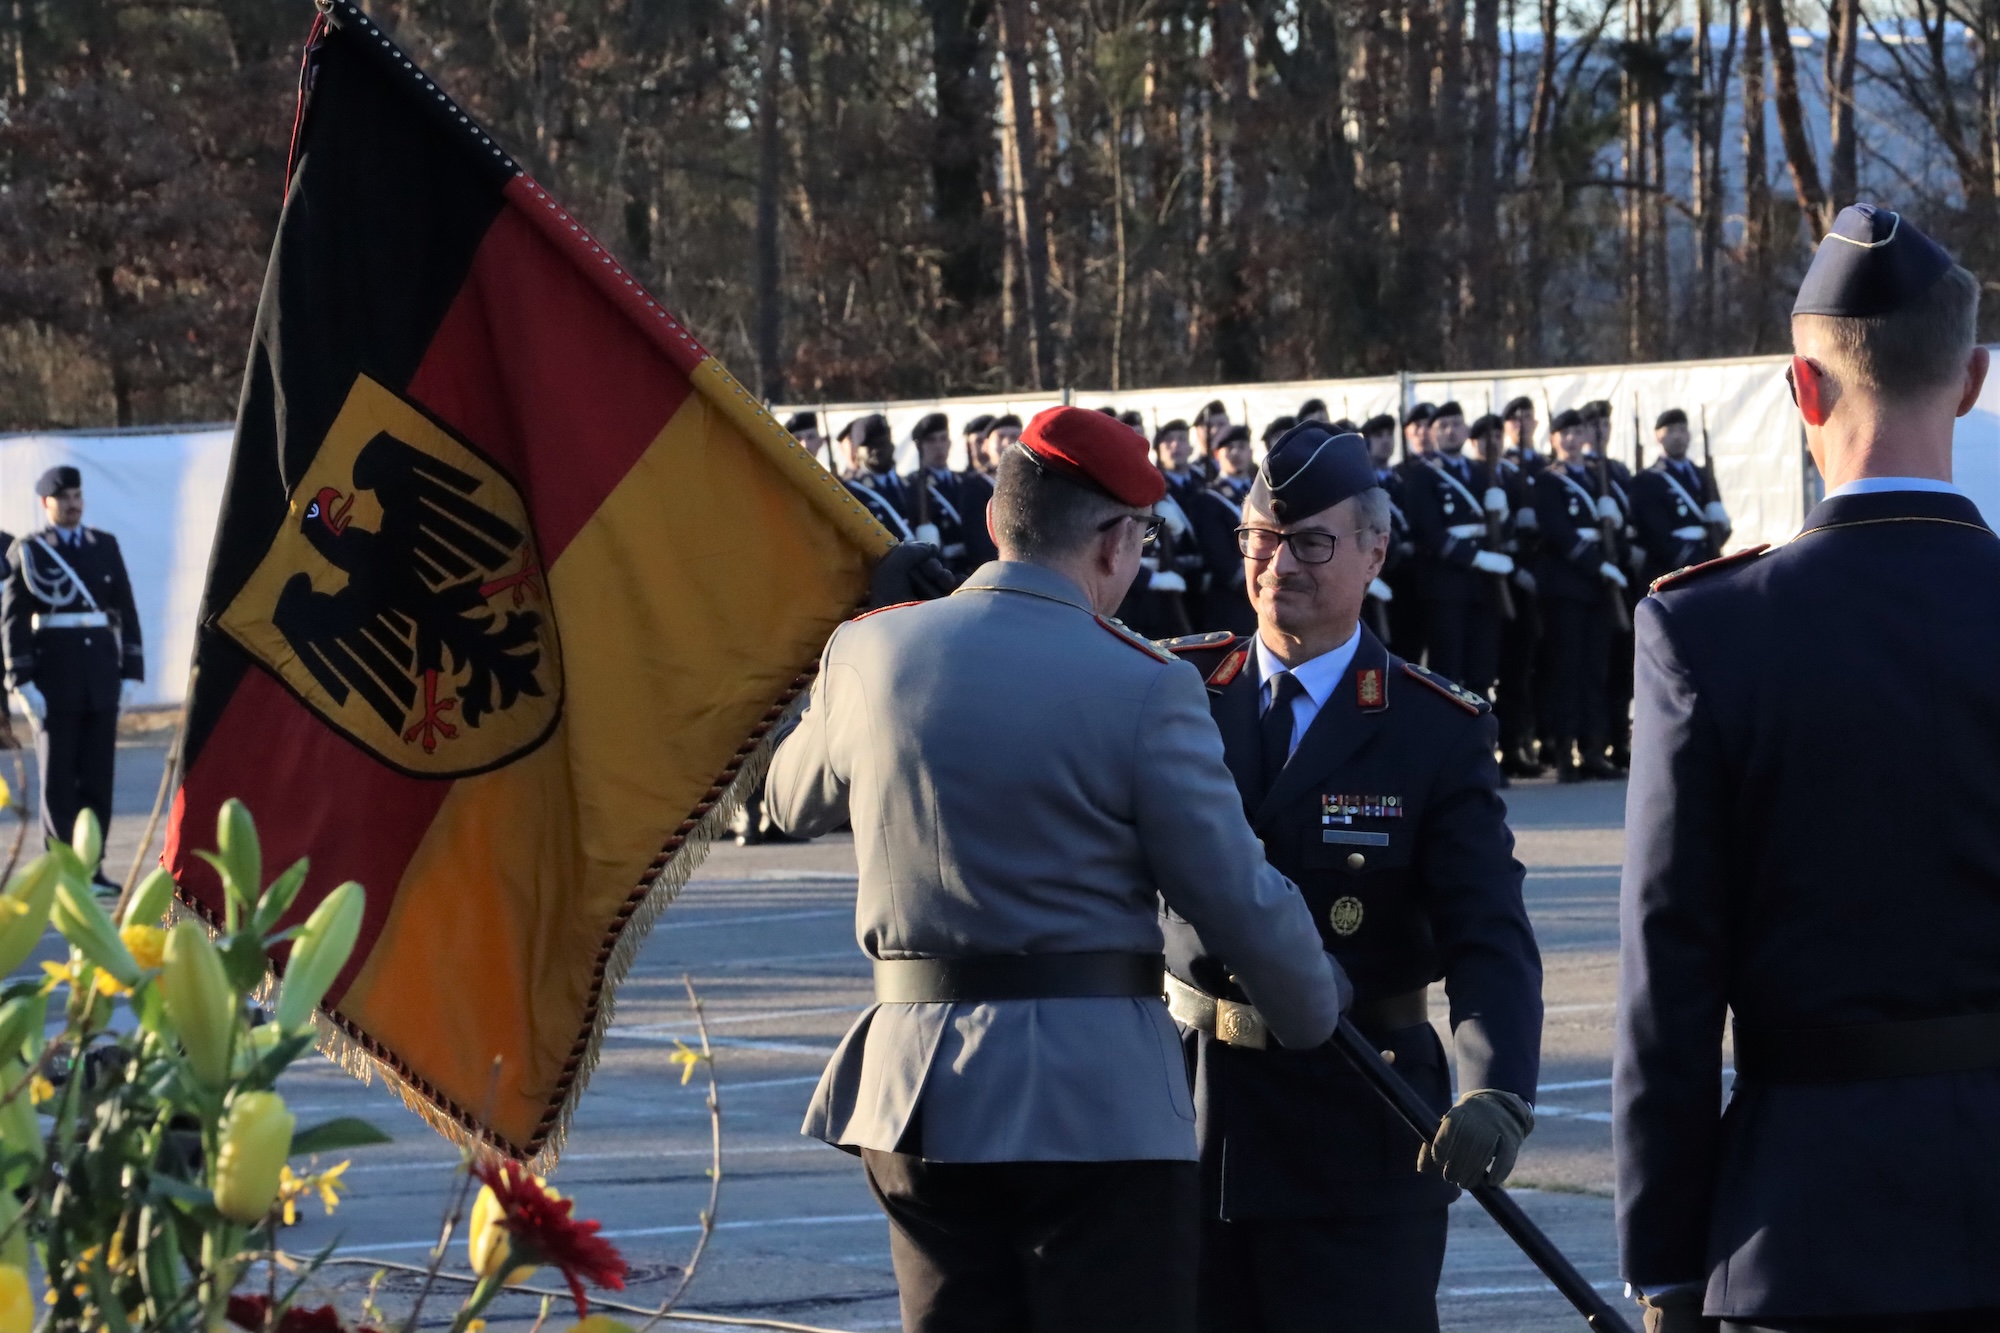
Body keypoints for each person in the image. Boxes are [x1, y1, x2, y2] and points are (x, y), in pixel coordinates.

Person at [766, 405, 1352, 1333]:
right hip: (1094, 1106)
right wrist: (1314, 1000)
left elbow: (786, 798)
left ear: (997, 523)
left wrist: (867, 620)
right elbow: (1230, 889)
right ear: (1117, 543)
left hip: (918, 1096)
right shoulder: (1144, 682)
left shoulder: (871, 651)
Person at [1617, 205, 2000, 1333]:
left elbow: (1667, 978)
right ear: (1972, 379)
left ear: (1801, 389)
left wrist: (1665, 1266)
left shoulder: (1713, 629)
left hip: (1802, 1232)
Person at [1159, 423, 1541, 1333]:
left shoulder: (1430, 728)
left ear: (1376, 550)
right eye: (1259, 536)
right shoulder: (1173, 691)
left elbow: (1487, 928)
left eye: (1311, 542)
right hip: (1187, 1119)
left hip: (1359, 1126)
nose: (1278, 563)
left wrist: (1497, 1086)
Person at [2, 466, 143, 880]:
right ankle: (63, 872)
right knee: (58, 782)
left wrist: (131, 669)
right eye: (63, 498)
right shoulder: (29, 551)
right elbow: (12, 621)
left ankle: (93, 869)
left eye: (77, 495)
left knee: (97, 781)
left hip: (100, 677)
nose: (73, 504)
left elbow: (126, 609)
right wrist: (22, 680)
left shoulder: (104, 545)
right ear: (46, 503)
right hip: (54, 679)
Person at [1531, 411, 1624, 782]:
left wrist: (1617, 519)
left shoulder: (1599, 475)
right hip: (1567, 584)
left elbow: (1620, 525)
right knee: (1566, 670)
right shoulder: (1549, 481)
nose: (1570, 439)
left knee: (1595, 670)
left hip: (1599, 588)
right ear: (1553, 440)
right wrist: (1596, 563)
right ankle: (1564, 750)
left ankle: (1593, 749)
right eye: (1563, 433)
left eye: (1576, 432)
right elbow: (1557, 531)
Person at [1402, 402, 1513, 695]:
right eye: (1443, 426)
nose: (1451, 432)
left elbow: (1499, 533)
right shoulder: (1422, 475)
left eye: (1456, 425)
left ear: (1466, 430)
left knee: (1482, 669)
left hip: (1484, 587)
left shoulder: (1482, 472)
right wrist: (1477, 557)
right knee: (1447, 670)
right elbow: (1428, 533)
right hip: (1446, 585)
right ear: (1432, 433)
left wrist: (1503, 515)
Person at [1630, 409, 1731, 586]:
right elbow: (1654, 533)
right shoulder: (1648, 479)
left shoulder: (1701, 475)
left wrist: (1719, 529)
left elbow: (1717, 527)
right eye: (1670, 431)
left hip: (1705, 560)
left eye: (1682, 430)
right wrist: (1688, 559)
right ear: (1658, 437)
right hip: (1671, 568)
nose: (1677, 436)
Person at [903, 412, 973, 573]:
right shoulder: (913, 486)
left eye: (943, 439)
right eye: (931, 440)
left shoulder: (964, 481)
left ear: (950, 443)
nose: (938, 446)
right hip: (943, 568)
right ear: (920, 446)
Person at [841, 415, 915, 539]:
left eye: (881, 444)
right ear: (858, 451)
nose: (876, 451)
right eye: (869, 446)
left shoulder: (910, 484)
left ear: (891, 445)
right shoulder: (852, 491)